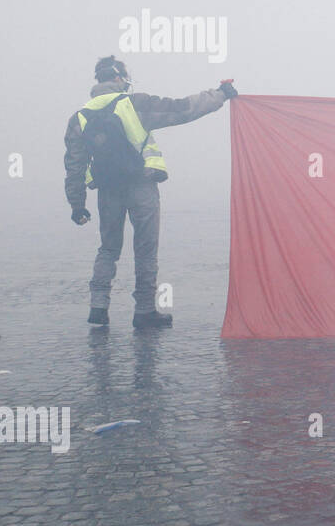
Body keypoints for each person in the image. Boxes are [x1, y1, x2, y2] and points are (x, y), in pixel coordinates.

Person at [64, 57, 237, 327]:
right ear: (118, 78)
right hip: (141, 185)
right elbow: (182, 109)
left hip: (108, 191)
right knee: (145, 250)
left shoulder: (79, 118)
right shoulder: (134, 103)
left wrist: (77, 204)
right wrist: (220, 94)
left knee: (108, 248)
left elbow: (74, 166)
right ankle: (144, 311)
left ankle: (98, 306)